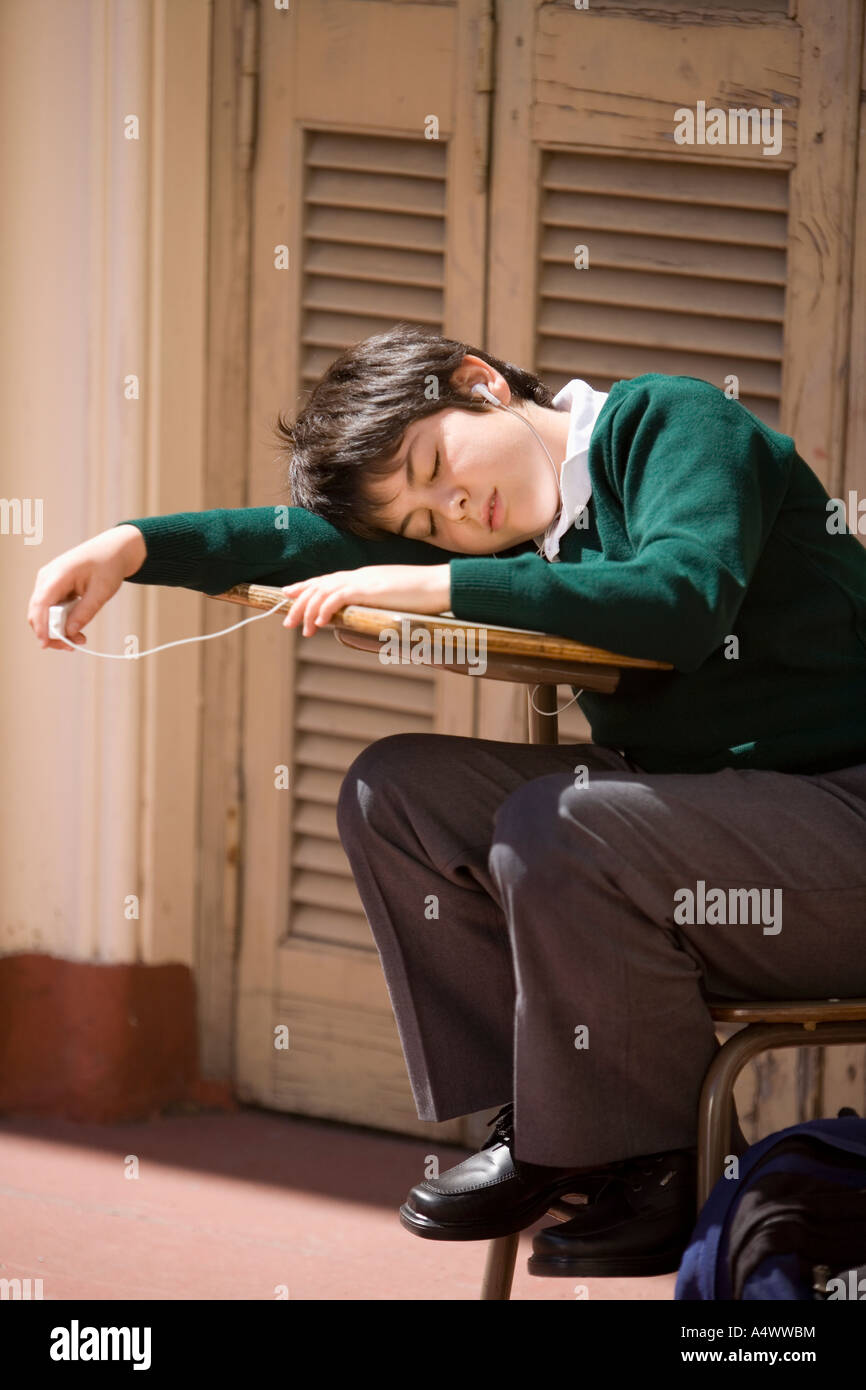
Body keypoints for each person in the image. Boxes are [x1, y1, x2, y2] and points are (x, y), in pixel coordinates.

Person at [27, 323, 866, 1279]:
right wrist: (130, 546)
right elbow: (302, 542)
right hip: (708, 828)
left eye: (436, 464)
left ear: (481, 384)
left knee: (562, 820)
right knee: (400, 791)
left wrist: (435, 580)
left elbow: (678, 598)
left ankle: (656, 1163)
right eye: (425, 523)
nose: (456, 508)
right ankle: (564, 1131)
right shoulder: (523, 536)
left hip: (842, 827)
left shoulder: (670, 420)